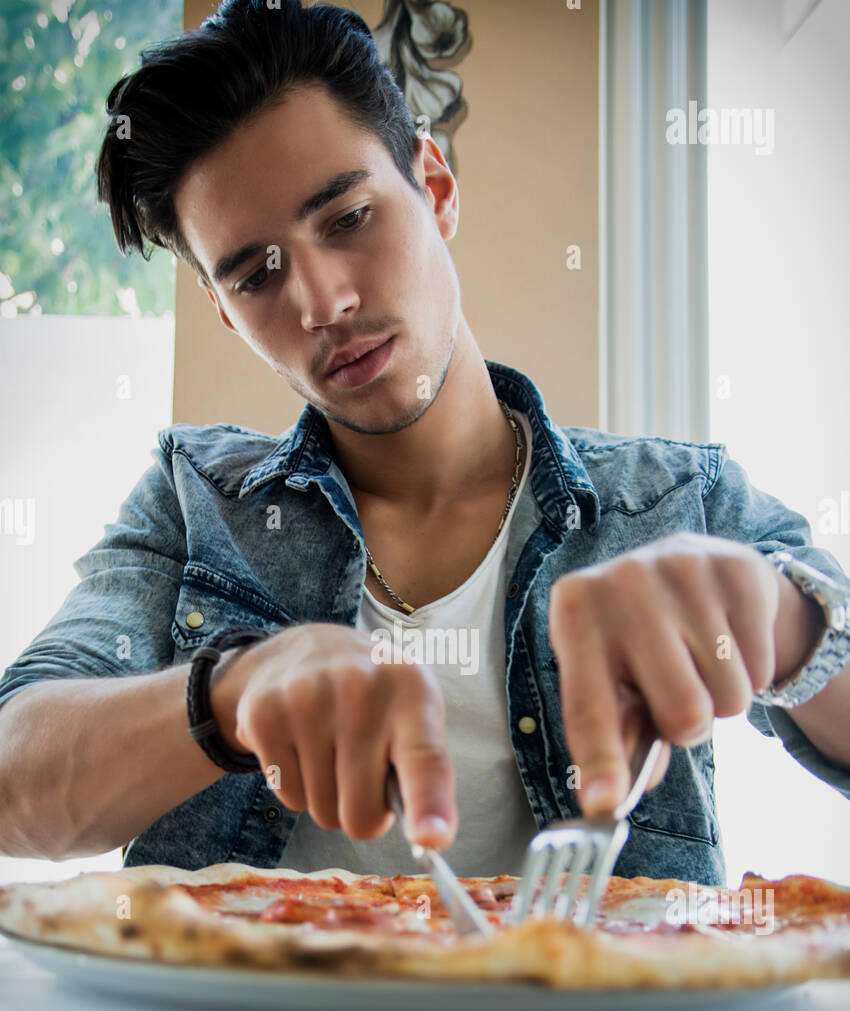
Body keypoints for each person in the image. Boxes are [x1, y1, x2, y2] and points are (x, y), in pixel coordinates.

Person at [1, 0, 848, 883]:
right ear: (224, 311)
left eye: (348, 219)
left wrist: (789, 632)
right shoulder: (192, 498)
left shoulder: (678, 501)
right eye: (257, 275)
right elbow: (13, 776)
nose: (321, 301)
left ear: (434, 188)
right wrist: (230, 697)